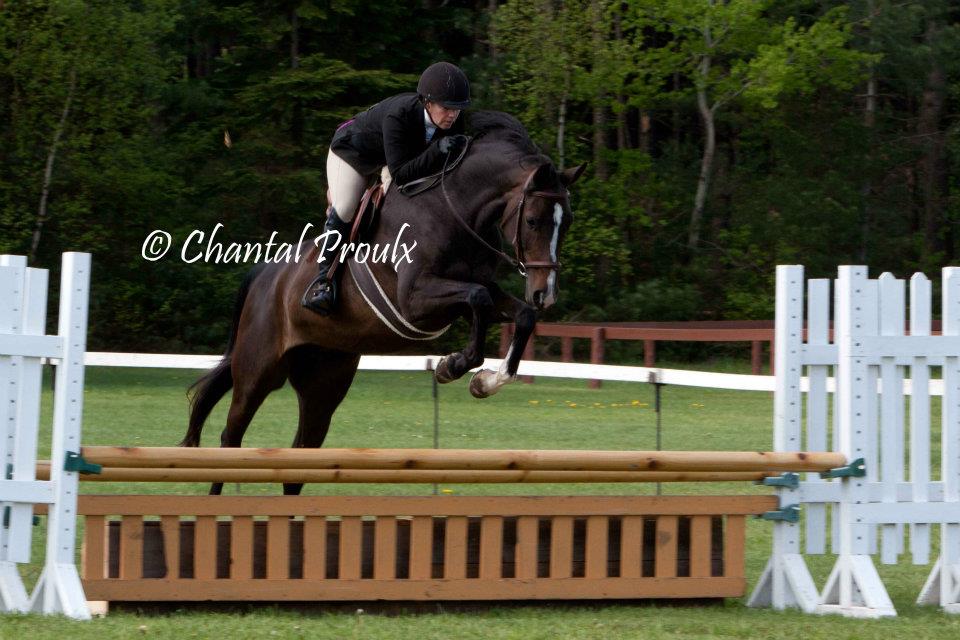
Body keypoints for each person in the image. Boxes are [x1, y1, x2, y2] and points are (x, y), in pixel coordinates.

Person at [301, 61, 471, 315]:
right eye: (447, 108)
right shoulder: (400, 116)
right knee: (346, 207)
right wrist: (437, 151)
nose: (453, 115)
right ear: (427, 102)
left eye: (457, 110)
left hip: (392, 158)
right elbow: (402, 174)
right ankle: (323, 279)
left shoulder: (451, 120)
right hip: (353, 152)